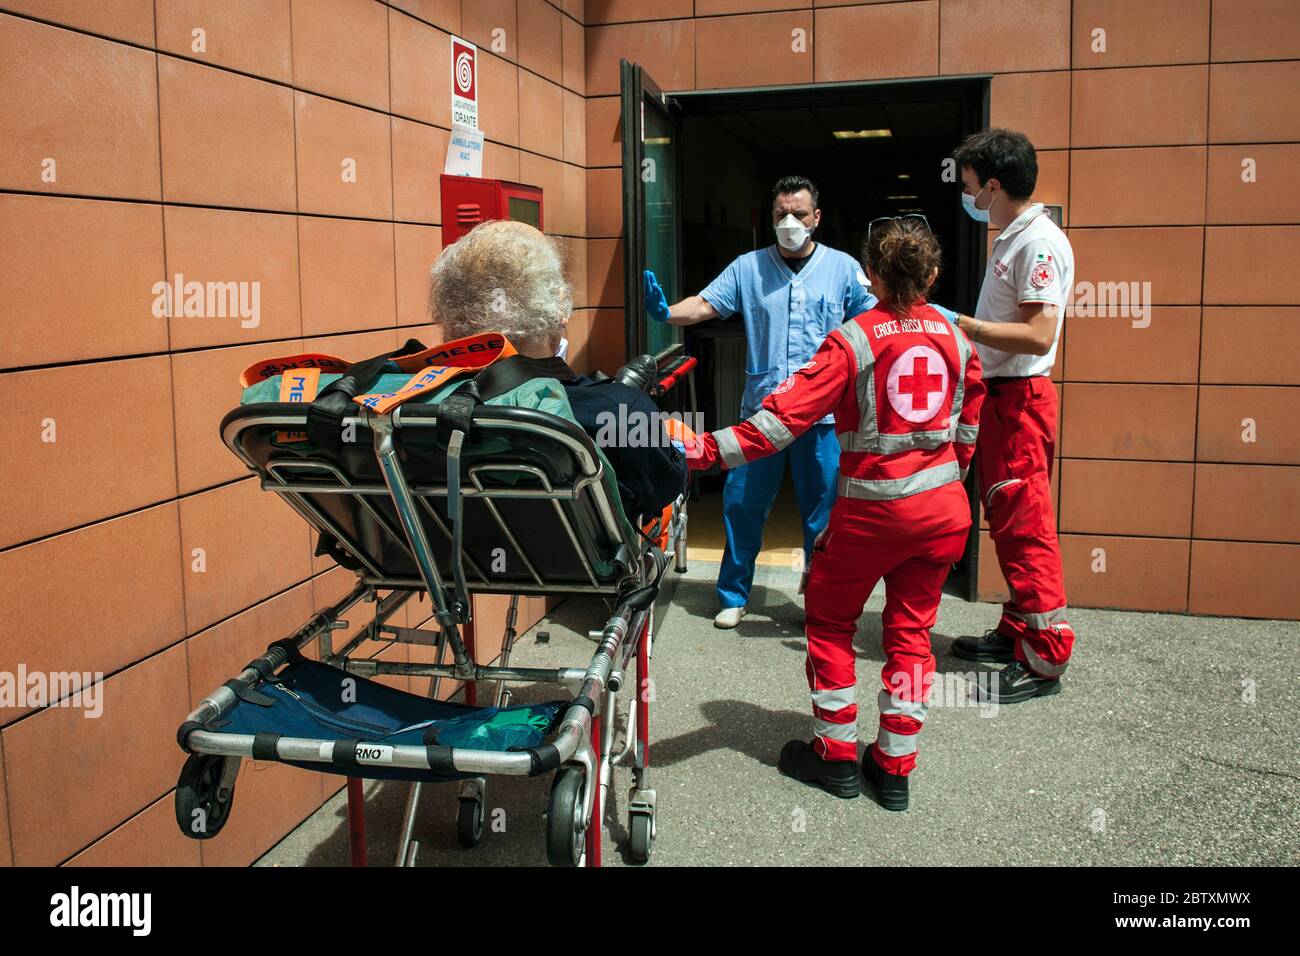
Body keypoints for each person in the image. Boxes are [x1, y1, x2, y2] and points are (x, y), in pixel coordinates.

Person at [682, 217, 984, 810]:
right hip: (944, 513)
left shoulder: (853, 342)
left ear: (869, 275)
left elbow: (779, 423)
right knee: (910, 637)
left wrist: (703, 451)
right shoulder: (958, 339)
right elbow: (969, 432)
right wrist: (945, 488)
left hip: (871, 514)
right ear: (933, 273)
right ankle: (894, 768)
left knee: (829, 626)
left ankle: (836, 756)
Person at [645, 175, 876, 629]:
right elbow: (706, 305)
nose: (789, 222)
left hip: (822, 416)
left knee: (822, 513)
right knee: (743, 503)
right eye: (780, 214)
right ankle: (733, 594)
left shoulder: (844, 268)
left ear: (816, 218)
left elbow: (872, 320)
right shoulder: (749, 267)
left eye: (798, 213)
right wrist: (667, 313)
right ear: (770, 219)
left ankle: (820, 599)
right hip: (763, 413)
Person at [429, 220, 687, 523]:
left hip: (437, 563)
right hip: (566, 566)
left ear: (448, 316)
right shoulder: (620, 412)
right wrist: (631, 402)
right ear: (559, 310)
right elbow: (667, 484)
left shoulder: (404, 414)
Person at [943, 128, 1076, 705]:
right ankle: (1017, 631)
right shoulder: (1013, 238)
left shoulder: (1037, 244)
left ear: (995, 186)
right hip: (1001, 399)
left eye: (972, 188)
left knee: (1026, 526)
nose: (969, 198)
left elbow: (1039, 332)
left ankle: (1047, 656)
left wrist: (964, 327)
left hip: (1019, 400)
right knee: (1007, 516)